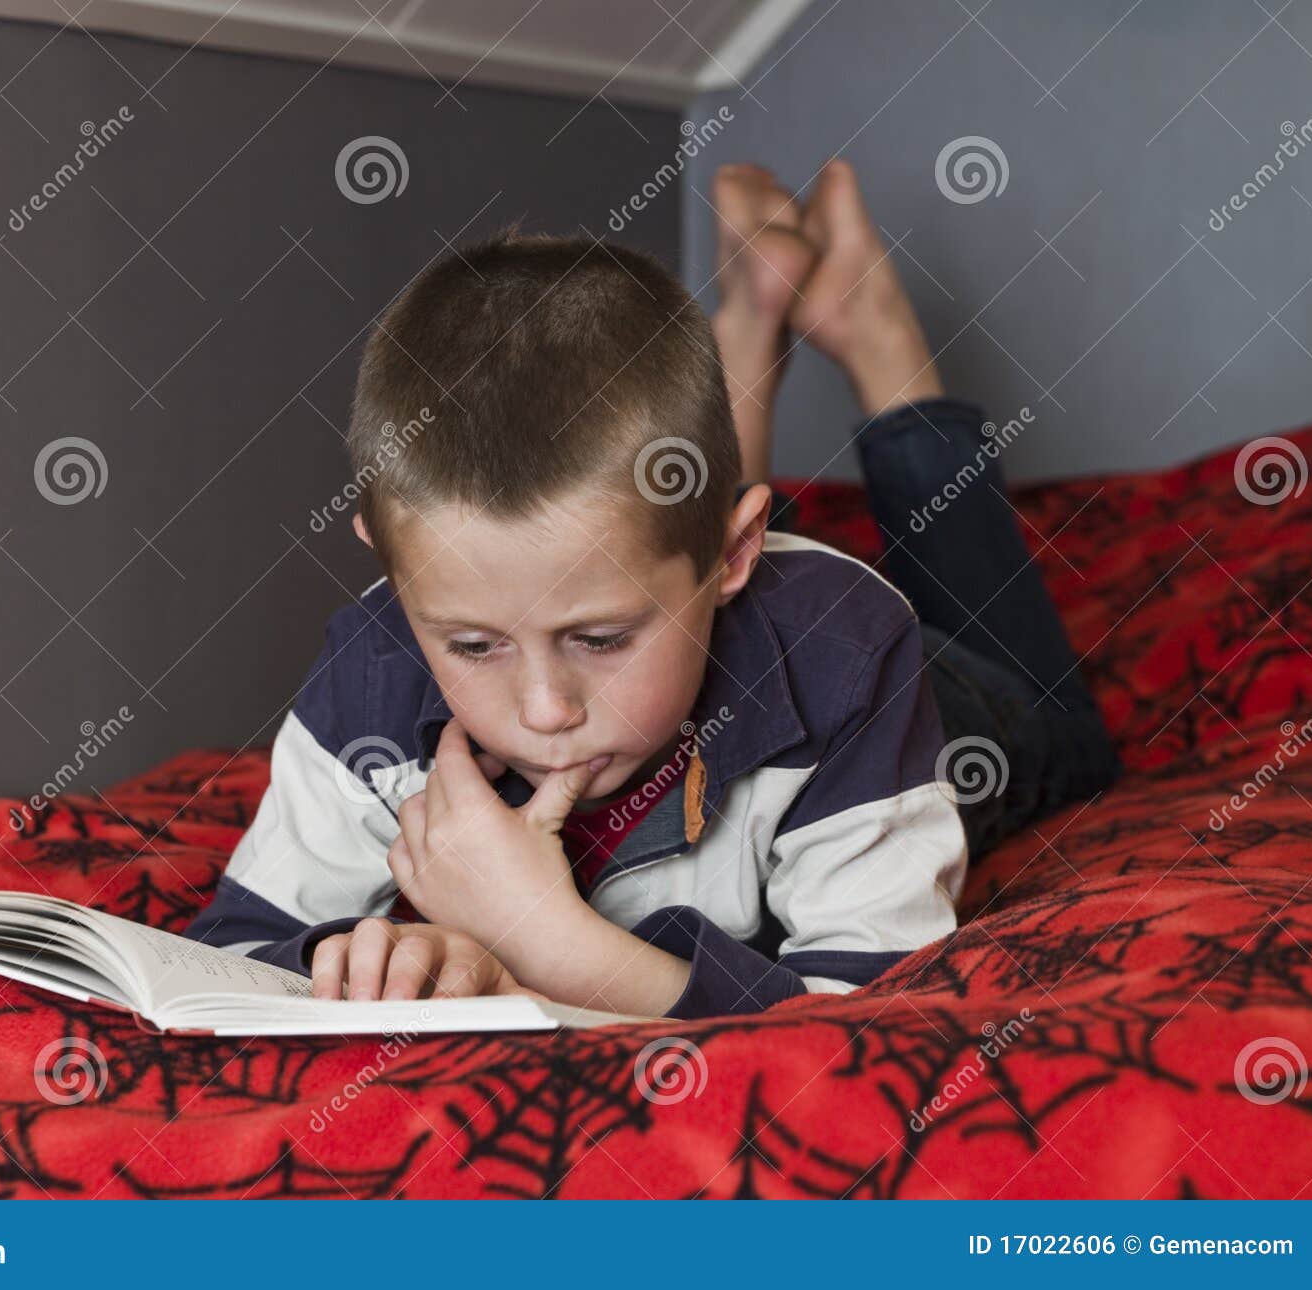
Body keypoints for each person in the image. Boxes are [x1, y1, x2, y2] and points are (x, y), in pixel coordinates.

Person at [184, 159, 1120, 1019]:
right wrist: (384, 957)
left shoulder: (851, 653)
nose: (545, 710)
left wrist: (544, 941)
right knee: (660, 531)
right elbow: (237, 953)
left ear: (738, 551)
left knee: (1068, 740)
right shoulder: (375, 668)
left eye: (599, 639)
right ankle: (747, 328)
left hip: (920, 695)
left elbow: (865, 1027)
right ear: (394, 575)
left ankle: (878, 338)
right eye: (473, 645)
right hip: (701, 561)